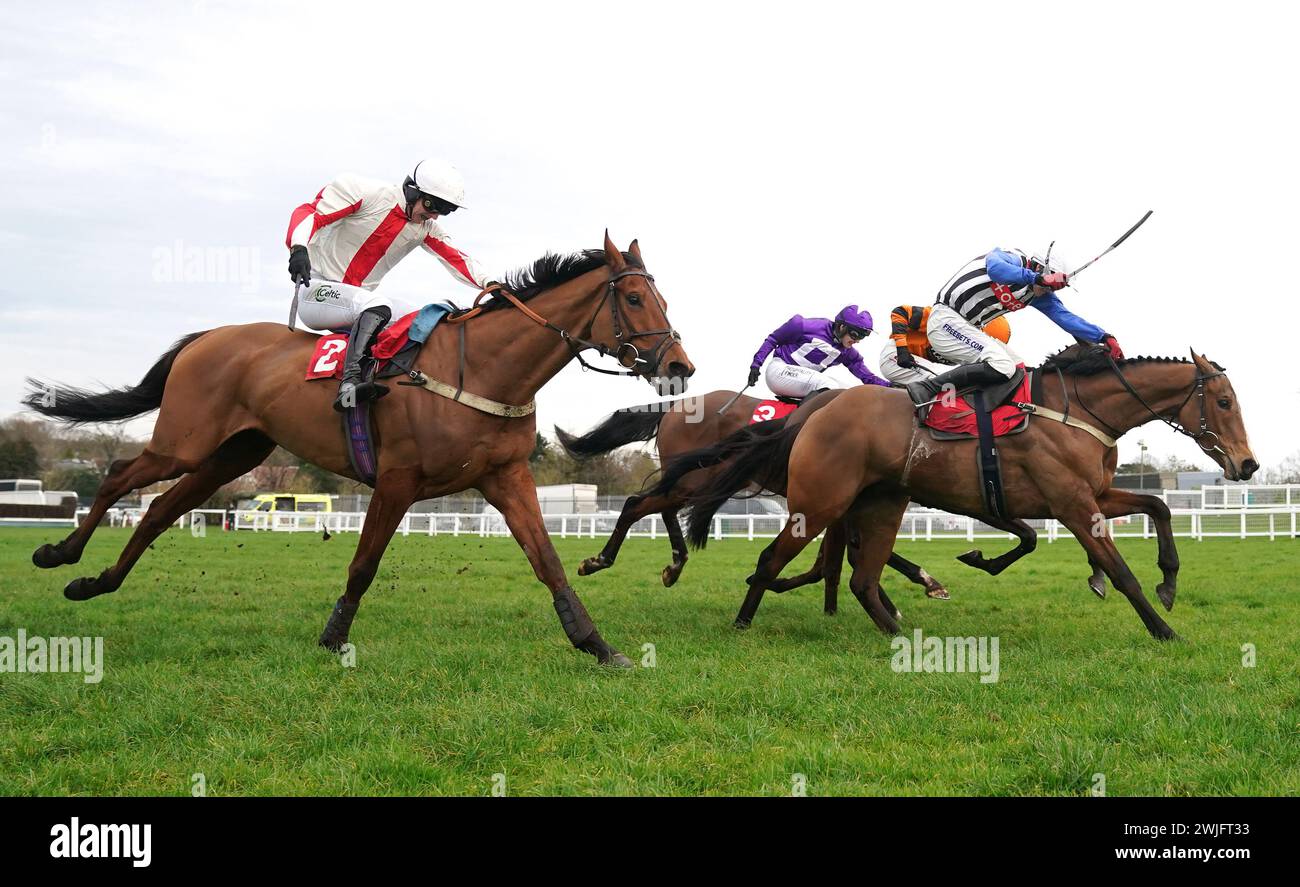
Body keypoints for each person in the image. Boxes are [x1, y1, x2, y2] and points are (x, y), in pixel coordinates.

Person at [285, 158, 493, 411]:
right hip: (316, 292)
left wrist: (492, 284)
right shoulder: (365, 192)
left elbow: (459, 260)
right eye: (432, 205)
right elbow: (310, 213)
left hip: (357, 303)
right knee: (377, 303)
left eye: (445, 210)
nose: (435, 215)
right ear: (412, 191)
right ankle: (349, 384)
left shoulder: (426, 228)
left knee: (428, 318)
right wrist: (298, 248)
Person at [904, 247, 1123, 405]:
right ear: (1041, 267)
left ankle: (978, 409)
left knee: (1019, 370)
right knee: (1002, 365)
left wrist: (1104, 337)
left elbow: (1065, 318)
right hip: (945, 320)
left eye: (1054, 288)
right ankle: (927, 388)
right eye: (1050, 285)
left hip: (968, 329)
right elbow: (995, 268)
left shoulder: (1039, 295)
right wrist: (1037, 279)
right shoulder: (1012, 258)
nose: (1049, 291)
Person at [748, 305, 890, 400]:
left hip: (802, 381)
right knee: (828, 384)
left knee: (849, 393)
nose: (857, 341)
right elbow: (773, 340)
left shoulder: (847, 353)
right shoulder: (802, 325)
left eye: (862, 337)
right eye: (855, 335)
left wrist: (891, 386)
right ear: (841, 327)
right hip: (779, 371)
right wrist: (756, 365)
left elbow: (867, 377)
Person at [879, 304, 1010, 385]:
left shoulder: (974, 352)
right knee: (945, 384)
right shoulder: (942, 318)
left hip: (915, 366)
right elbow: (900, 312)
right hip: (895, 355)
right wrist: (902, 349)